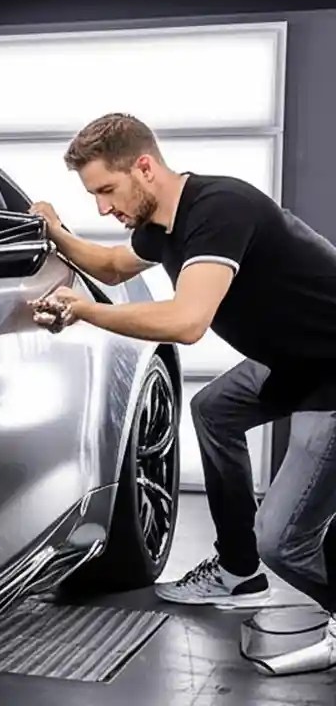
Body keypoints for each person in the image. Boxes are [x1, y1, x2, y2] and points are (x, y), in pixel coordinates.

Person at [29, 112, 336, 676]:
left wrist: (83, 311)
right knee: (213, 409)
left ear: (144, 167)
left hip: (333, 370)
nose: (104, 207)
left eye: (107, 190)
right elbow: (116, 266)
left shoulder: (219, 210)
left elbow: (188, 320)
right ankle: (238, 570)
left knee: (285, 540)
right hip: (294, 361)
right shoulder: (158, 227)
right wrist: (56, 232)